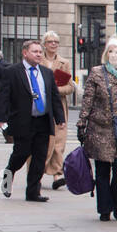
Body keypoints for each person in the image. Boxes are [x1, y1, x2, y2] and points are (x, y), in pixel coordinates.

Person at [77, 36, 117, 222]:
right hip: (100, 128)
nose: (115, 55)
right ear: (107, 54)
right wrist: (82, 123)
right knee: (103, 170)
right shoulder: (97, 73)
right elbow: (88, 100)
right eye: (112, 51)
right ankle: (104, 208)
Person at [0, 39, 65, 203]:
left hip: (43, 120)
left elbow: (54, 97)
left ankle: (33, 192)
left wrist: (60, 118)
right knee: (20, 155)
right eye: (35, 51)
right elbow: (4, 96)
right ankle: (7, 177)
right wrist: (1, 118)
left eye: (40, 52)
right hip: (23, 121)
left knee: (40, 158)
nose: (39, 54)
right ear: (25, 53)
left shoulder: (46, 73)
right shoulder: (13, 71)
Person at [40, 31, 75, 189]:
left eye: (56, 41)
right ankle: (37, 174)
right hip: (40, 105)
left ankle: (57, 175)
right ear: (44, 44)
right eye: (50, 41)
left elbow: (70, 87)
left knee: (59, 142)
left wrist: (55, 90)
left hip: (58, 106)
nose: (53, 44)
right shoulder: (38, 60)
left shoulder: (64, 63)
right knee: (42, 142)